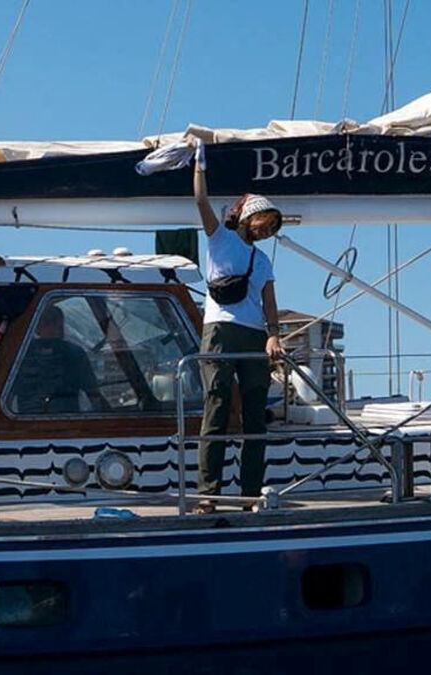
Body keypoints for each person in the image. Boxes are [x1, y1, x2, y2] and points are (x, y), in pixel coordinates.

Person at [189, 138, 285, 510]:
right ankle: (208, 494)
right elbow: (201, 201)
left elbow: (269, 302)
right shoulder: (220, 239)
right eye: (263, 222)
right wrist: (199, 165)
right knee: (216, 407)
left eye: (271, 227)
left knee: (255, 417)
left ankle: (249, 495)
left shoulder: (264, 261)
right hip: (220, 331)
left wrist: (273, 335)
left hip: (254, 334)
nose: (266, 230)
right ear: (248, 217)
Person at [12, 305, 109, 414]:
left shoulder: (20, 355)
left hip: (43, 421)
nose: (52, 328)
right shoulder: (75, 354)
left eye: (54, 323)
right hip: (57, 421)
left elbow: (94, 395)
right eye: (48, 322)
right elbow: (94, 395)